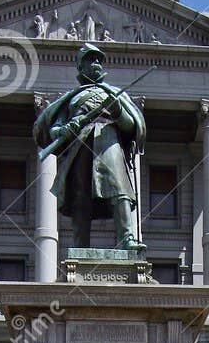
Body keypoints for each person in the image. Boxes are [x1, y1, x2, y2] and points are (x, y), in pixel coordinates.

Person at [33, 44, 146, 249]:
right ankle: (80, 246)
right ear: (80, 67)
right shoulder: (72, 97)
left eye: (98, 60)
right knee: (80, 197)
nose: (95, 64)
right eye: (90, 60)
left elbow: (130, 126)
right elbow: (54, 130)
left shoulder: (112, 94)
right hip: (79, 145)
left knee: (119, 189)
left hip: (108, 141)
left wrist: (118, 111)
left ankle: (127, 239)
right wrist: (65, 129)